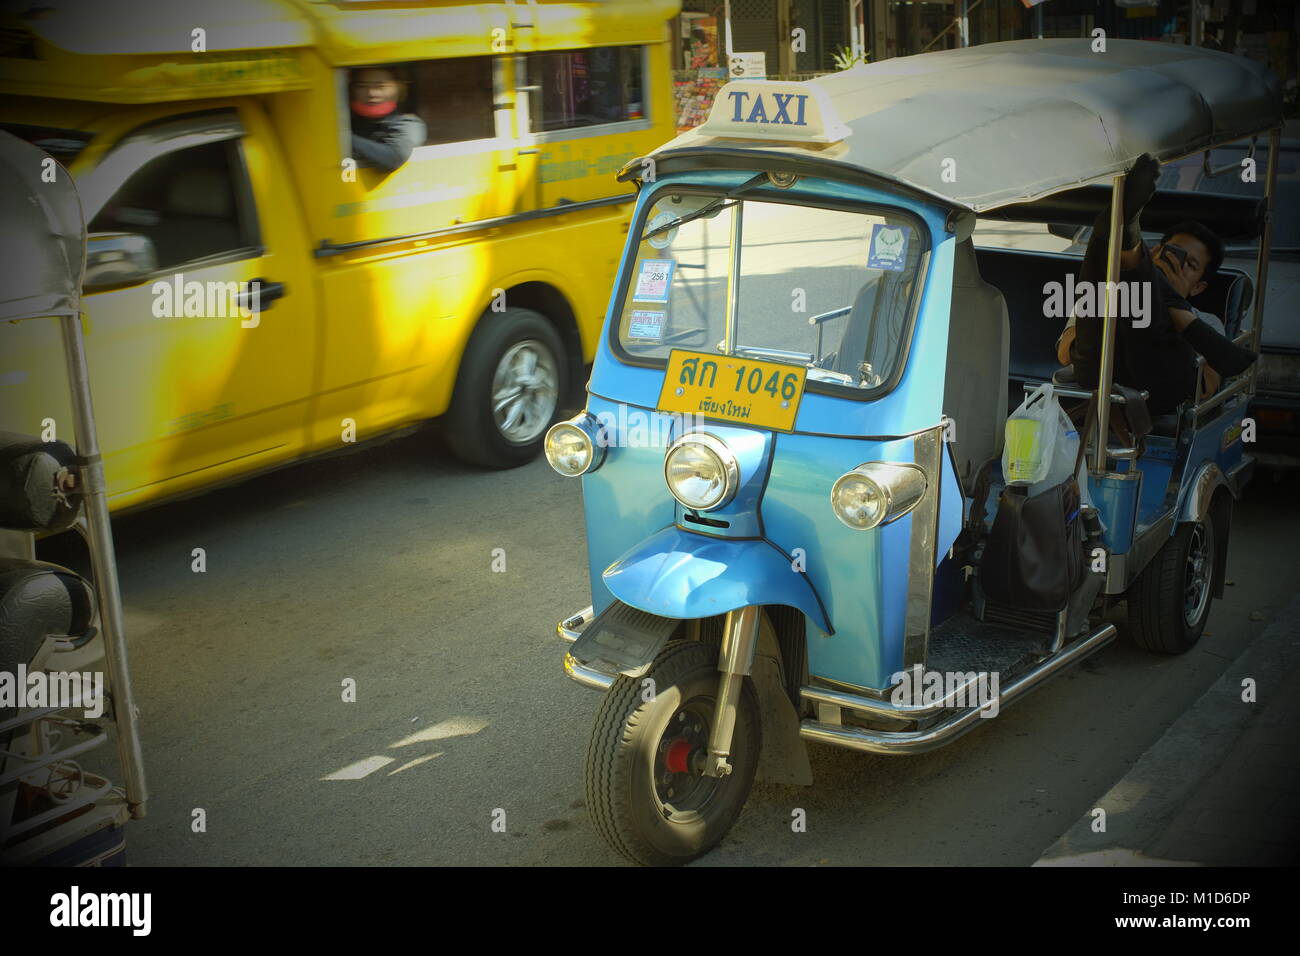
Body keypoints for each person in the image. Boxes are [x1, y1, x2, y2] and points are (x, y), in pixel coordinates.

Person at [1068, 154, 1256, 415]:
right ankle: (1122, 237)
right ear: (1155, 252)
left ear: (1198, 287)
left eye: (1188, 265)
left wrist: (1173, 316)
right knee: (1114, 297)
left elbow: (1207, 387)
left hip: (1161, 391)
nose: (1175, 264)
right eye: (1172, 253)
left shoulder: (1208, 321)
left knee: (1141, 305)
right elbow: (1069, 352)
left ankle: (1115, 232)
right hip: (1098, 373)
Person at [348, 66, 427, 173]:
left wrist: (345, 138)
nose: (371, 94)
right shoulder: (348, 122)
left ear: (398, 89)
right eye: (362, 86)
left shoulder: (409, 123)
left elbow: (394, 157)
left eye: (380, 86)